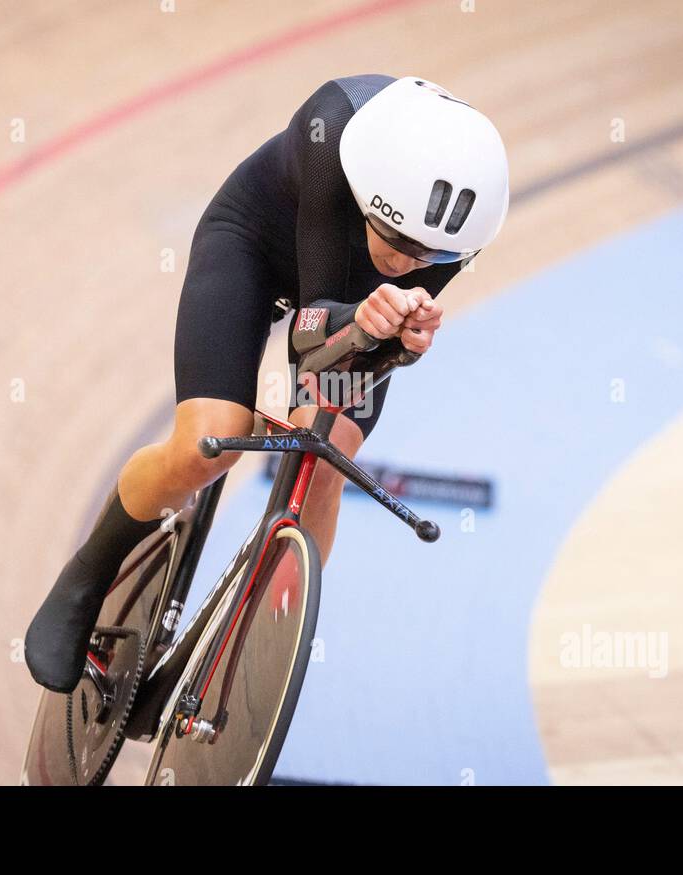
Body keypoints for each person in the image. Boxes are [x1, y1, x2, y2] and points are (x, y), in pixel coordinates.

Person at [25, 74, 509, 692]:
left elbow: (359, 361)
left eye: (433, 257)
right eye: (400, 241)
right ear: (371, 195)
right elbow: (311, 343)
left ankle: (270, 644)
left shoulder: (464, 224)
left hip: (352, 307)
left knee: (327, 460)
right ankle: (86, 576)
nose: (412, 262)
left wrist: (405, 341)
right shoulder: (332, 132)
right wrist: (363, 323)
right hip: (253, 252)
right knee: (210, 442)